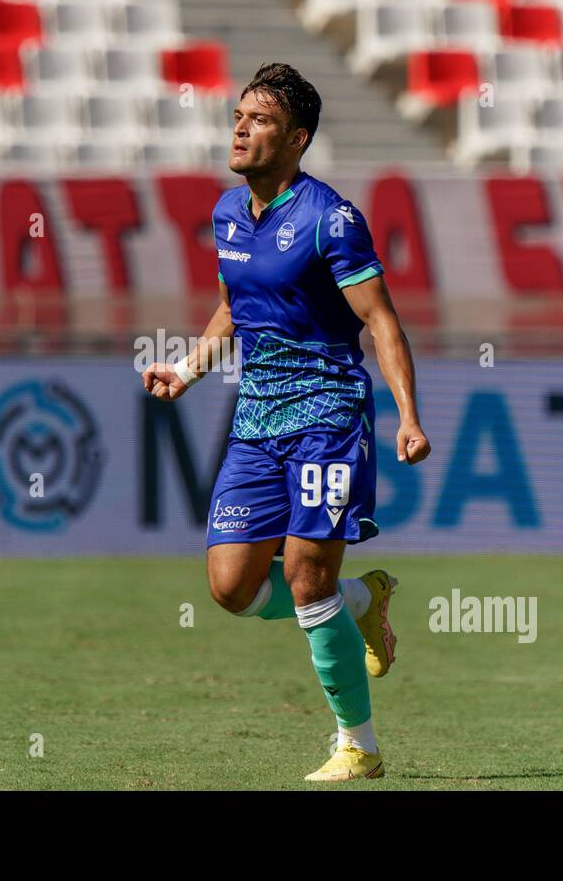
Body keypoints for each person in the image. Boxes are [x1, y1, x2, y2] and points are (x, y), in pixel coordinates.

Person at [141, 63, 431, 782]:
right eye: (238, 115)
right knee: (233, 588)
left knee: (305, 581)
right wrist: (184, 369)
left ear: (298, 138)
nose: (240, 128)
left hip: (327, 414)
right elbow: (236, 308)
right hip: (256, 418)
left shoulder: (331, 219)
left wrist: (407, 417)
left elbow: (381, 321)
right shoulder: (227, 213)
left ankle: (356, 744)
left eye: (260, 119)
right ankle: (366, 598)